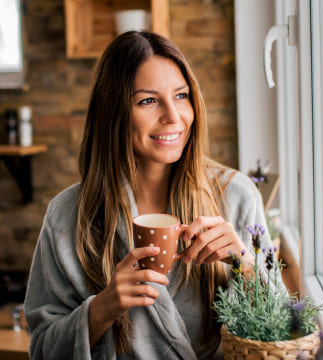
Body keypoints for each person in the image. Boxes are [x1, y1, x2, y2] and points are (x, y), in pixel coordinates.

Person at [24, 31, 279, 360]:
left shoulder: (236, 196)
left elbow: (283, 332)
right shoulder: (67, 216)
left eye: (181, 96)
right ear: (114, 112)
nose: (173, 117)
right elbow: (42, 349)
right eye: (148, 101)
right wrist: (101, 309)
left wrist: (245, 265)